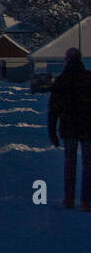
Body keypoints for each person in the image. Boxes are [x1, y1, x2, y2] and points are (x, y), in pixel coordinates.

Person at [48, 48, 91, 209]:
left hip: (68, 128)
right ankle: (87, 201)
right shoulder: (89, 78)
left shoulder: (61, 80)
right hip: (88, 127)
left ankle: (69, 199)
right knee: (88, 166)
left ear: (67, 60)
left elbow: (53, 109)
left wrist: (52, 131)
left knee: (70, 164)